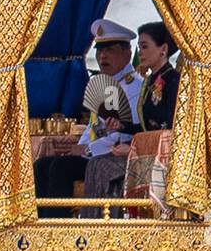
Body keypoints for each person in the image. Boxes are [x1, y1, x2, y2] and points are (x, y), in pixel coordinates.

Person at [34, 19, 142, 217]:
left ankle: (59, 229)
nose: (102, 56)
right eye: (99, 50)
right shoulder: (105, 84)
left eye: (109, 50)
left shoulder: (133, 87)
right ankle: (40, 225)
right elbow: (94, 126)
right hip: (94, 152)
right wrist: (75, 147)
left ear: (127, 54)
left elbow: (126, 133)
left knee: (60, 168)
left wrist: (86, 150)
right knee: (42, 165)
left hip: (113, 156)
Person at [122, 22, 179, 134]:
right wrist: (121, 125)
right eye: (139, 47)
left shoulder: (174, 81)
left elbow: (168, 131)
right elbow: (146, 128)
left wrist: (134, 149)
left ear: (163, 49)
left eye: (144, 47)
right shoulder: (149, 81)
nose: (140, 53)